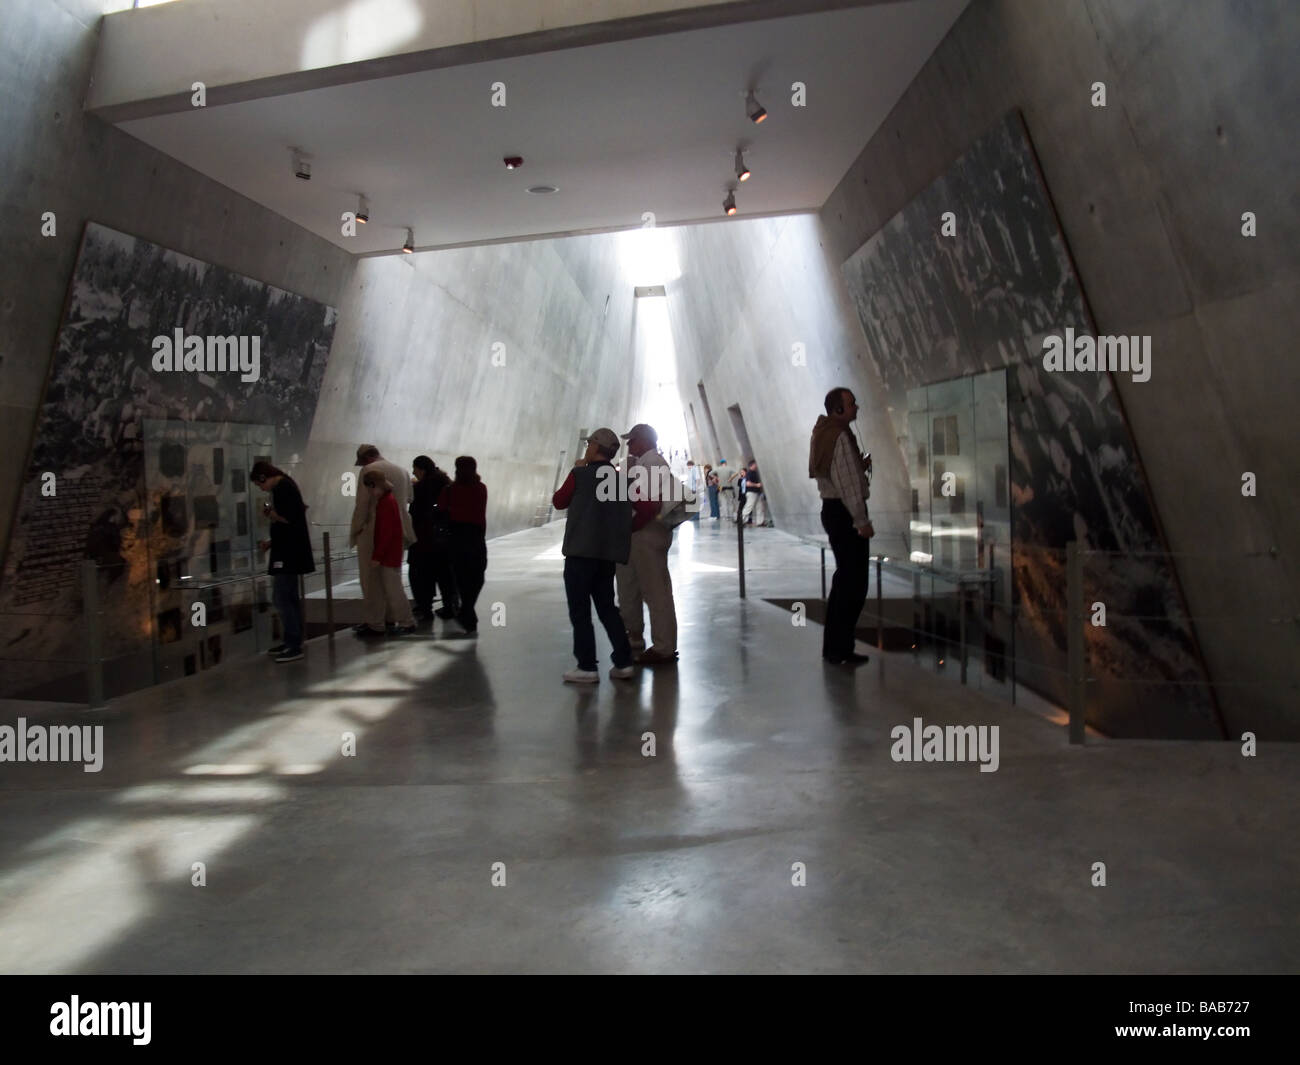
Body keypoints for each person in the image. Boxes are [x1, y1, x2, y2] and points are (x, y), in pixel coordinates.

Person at [552, 428, 654, 683]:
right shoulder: (622, 480)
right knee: (607, 607)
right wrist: (629, 528)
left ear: (596, 448)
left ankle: (587, 666)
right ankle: (623, 662)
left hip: (579, 554)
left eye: (589, 446)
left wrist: (578, 468)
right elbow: (647, 507)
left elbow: (558, 501)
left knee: (580, 611)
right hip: (607, 556)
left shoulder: (579, 474)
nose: (587, 449)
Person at [809, 387, 874, 667]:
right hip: (845, 513)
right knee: (854, 584)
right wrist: (862, 522)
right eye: (851, 404)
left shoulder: (822, 432)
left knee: (844, 581)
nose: (856, 407)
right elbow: (847, 485)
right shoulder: (839, 435)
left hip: (833, 511)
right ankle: (840, 648)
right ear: (838, 410)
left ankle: (836, 646)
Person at [616, 423, 679, 665]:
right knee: (629, 586)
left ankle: (664, 647)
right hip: (638, 534)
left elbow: (649, 505)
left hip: (646, 531)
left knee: (655, 592)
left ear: (643, 440)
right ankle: (634, 635)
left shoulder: (653, 463)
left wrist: (630, 526)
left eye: (631, 441)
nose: (628, 445)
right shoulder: (641, 464)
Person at [252, 461, 315, 663]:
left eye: (259, 484)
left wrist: (272, 515)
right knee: (288, 596)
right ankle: (292, 640)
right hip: (287, 550)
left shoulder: (283, 488)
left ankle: (294, 644)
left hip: (288, 553)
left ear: (263, 477)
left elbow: (290, 518)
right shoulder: (285, 486)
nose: (261, 488)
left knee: (281, 597)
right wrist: (271, 542)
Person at [350, 444, 415, 636]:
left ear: (365, 459)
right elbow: (410, 498)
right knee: (390, 580)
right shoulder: (402, 471)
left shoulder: (369, 472)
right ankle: (389, 619)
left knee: (371, 580)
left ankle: (375, 622)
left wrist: (355, 530)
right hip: (400, 530)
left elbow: (362, 505)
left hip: (374, 531)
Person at [361, 469, 417, 635]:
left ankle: (407, 622)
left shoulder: (385, 503)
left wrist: (377, 556)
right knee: (392, 589)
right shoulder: (388, 500)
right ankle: (395, 622)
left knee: (394, 591)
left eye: (369, 488)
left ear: (374, 485)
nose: (369, 492)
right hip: (390, 553)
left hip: (388, 555)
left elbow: (385, 532)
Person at [438, 456, 488, 636]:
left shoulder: (450, 490)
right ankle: (468, 610)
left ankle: (467, 612)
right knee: (476, 576)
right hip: (475, 537)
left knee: (460, 577)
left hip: (456, 538)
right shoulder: (481, 488)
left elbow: (441, 510)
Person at [408, 455, 451, 620]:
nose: (413, 472)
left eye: (415, 468)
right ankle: (449, 606)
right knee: (444, 574)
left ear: (422, 469)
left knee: (420, 573)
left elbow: (415, 512)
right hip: (443, 538)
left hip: (423, 538)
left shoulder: (421, 488)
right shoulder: (446, 482)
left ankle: (425, 608)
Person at [742, 458, 767, 526]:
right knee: (749, 507)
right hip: (751, 493)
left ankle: (760, 522)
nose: (756, 465)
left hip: (757, 493)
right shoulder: (749, 473)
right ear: (752, 465)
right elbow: (748, 483)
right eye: (755, 464)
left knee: (760, 507)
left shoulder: (755, 472)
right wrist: (757, 485)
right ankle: (741, 521)